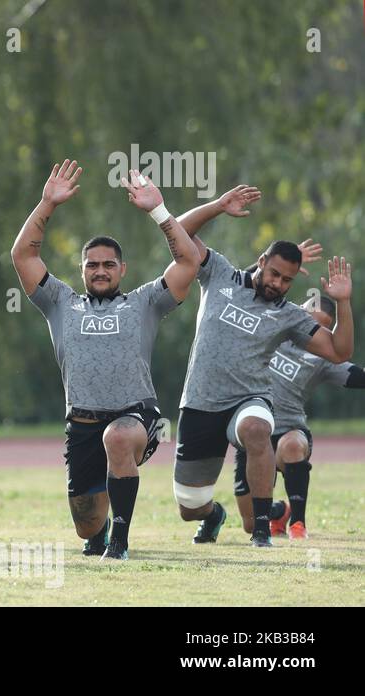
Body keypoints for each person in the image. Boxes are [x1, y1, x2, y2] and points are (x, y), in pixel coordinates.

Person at [10, 161, 200, 559]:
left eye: (108, 264)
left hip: (136, 417)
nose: (100, 271)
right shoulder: (59, 301)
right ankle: (101, 532)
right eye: (92, 264)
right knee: (85, 524)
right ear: (81, 269)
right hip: (81, 422)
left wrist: (159, 212)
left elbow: (187, 262)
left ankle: (121, 542)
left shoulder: (145, 301)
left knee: (116, 438)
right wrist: (46, 204)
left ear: (122, 269)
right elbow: (22, 256)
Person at [172, 185, 354, 547]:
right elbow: (178, 230)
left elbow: (338, 352)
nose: (278, 284)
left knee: (257, 429)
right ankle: (214, 515)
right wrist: (218, 206)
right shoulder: (220, 274)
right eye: (274, 274)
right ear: (261, 261)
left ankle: (261, 533)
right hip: (200, 401)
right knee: (189, 506)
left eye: (287, 279)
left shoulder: (288, 315)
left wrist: (343, 304)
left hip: (248, 399)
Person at [232, 295, 363, 540]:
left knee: (292, 445)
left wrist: (344, 301)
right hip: (254, 431)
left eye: (319, 327)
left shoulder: (323, 358)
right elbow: (244, 291)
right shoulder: (270, 332)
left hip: (290, 431)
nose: (309, 331)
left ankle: (298, 524)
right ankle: (279, 511)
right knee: (250, 523)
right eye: (306, 321)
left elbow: (358, 376)